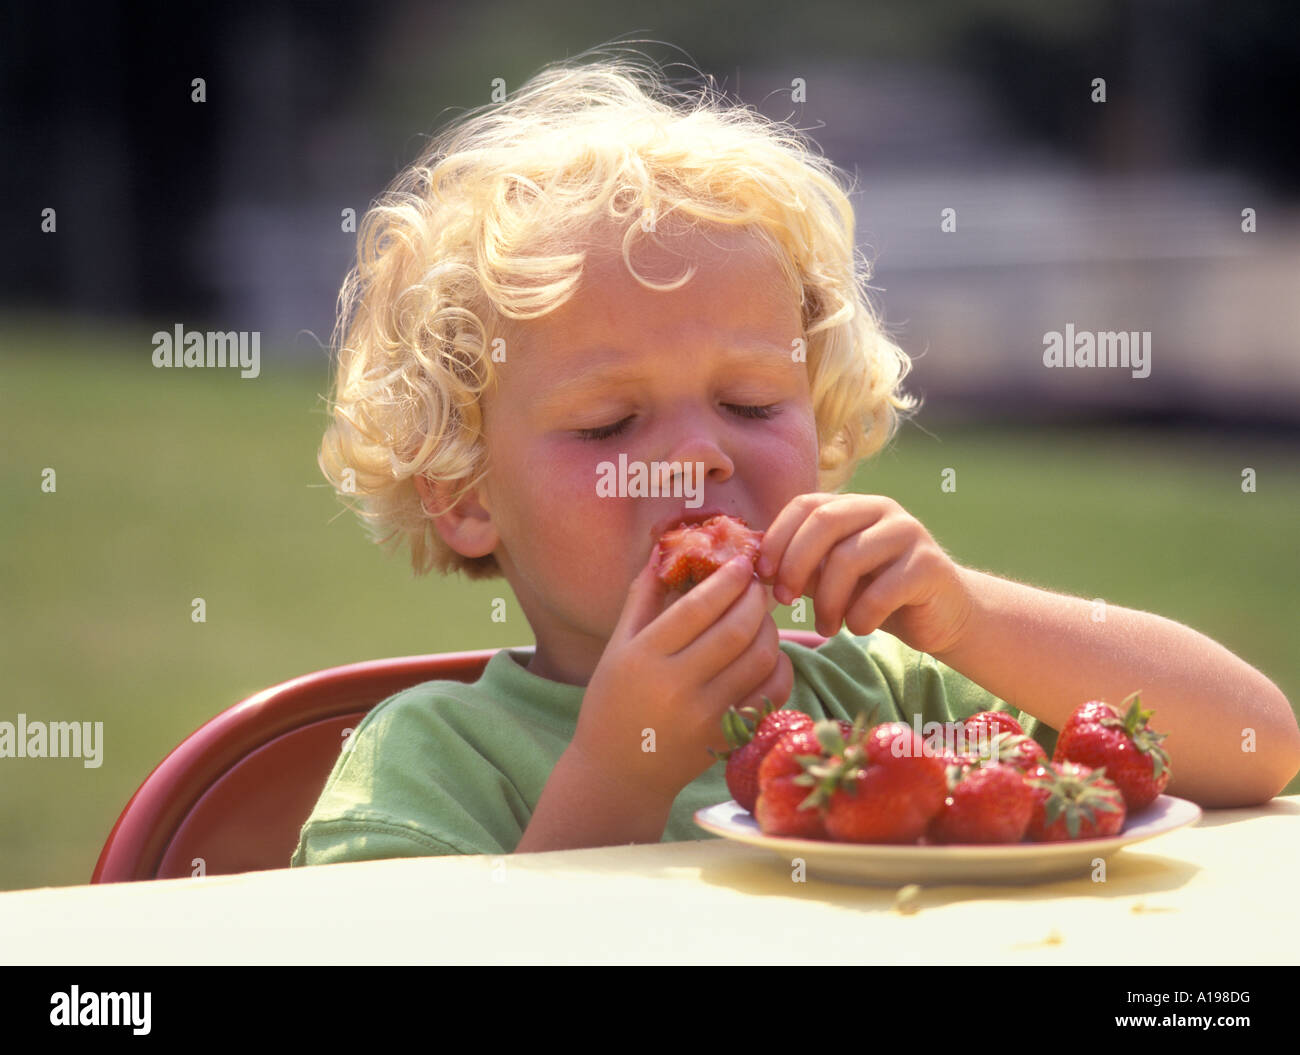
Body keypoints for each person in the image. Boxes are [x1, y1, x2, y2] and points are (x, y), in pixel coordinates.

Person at [291, 53, 1299, 866]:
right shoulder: (429, 761)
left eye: (749, 401)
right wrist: (624, 768)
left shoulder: (892, 701)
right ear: (466, 493)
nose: (694, 452)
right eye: (606, 423)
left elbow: (1258, 747)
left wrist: (970, 617)